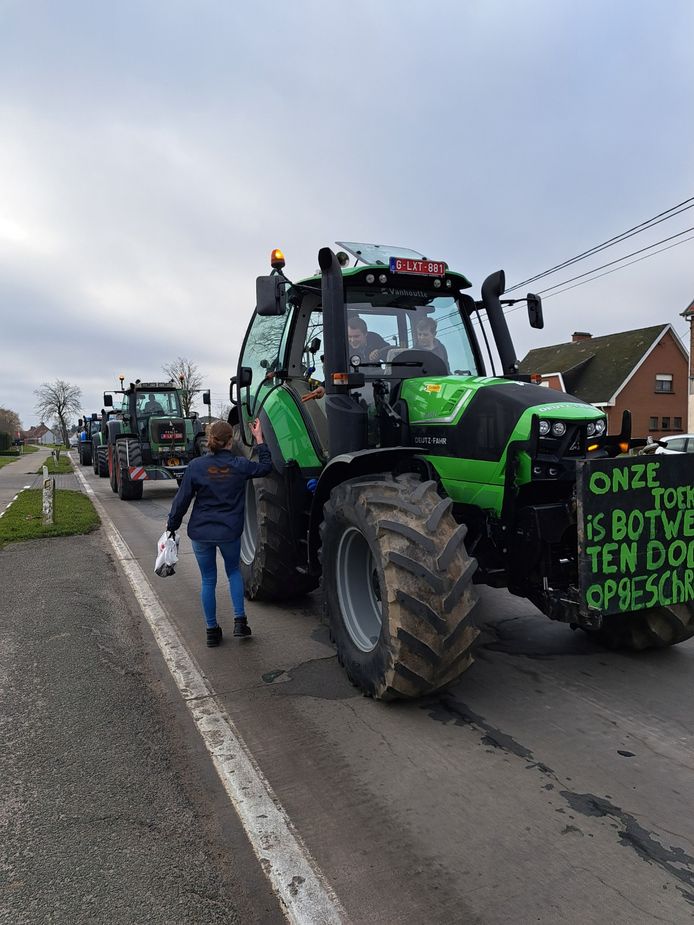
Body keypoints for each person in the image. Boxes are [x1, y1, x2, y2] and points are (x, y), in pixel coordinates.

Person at [166, 419, 272, 645]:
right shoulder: (239, 465)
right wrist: (259, 439)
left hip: (201, 533)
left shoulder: (195, 466)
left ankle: (212, 632)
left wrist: (171, 526)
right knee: (233, 572)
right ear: (230, 441)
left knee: (208, 580)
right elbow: (265, 467)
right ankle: (239, 622)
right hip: (229, 532)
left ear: (209, 439)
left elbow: (181, 500)